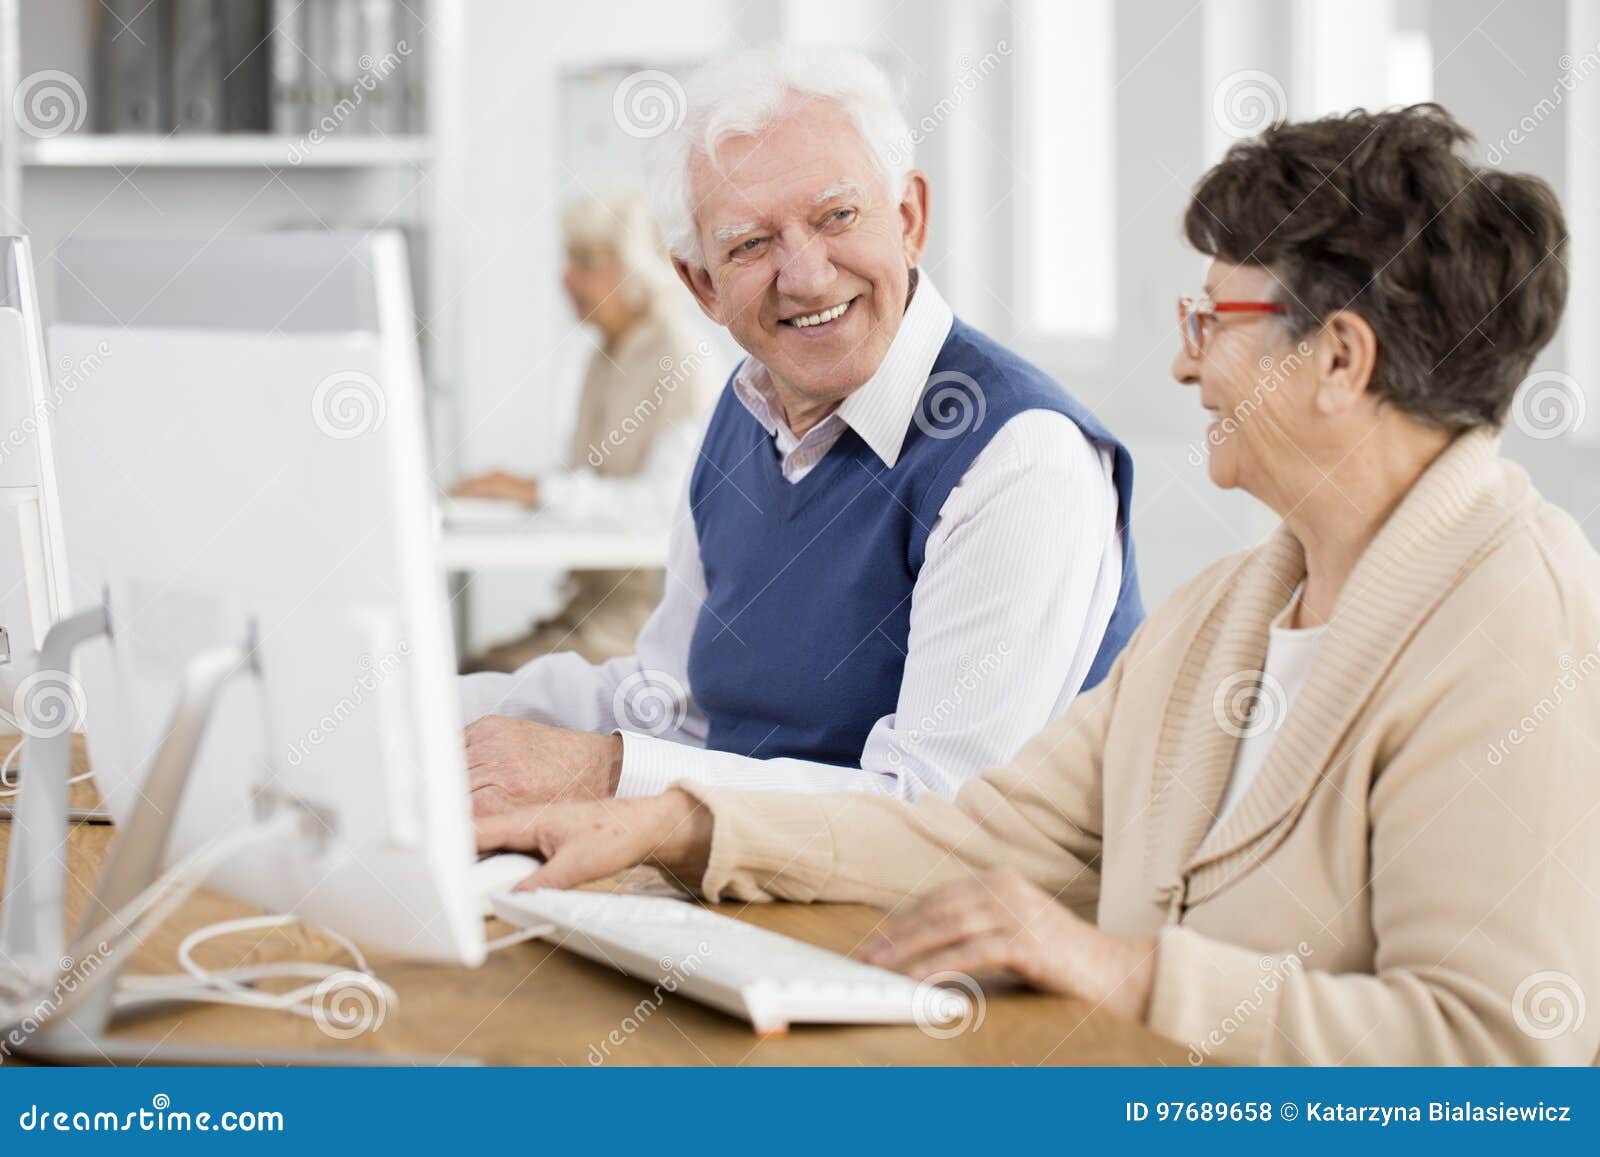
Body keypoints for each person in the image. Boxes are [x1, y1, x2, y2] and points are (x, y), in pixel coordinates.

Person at [477, 105, 1600, 1066]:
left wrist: (1120, 971)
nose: (1181, 361)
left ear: (1341, 359)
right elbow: (975, 836)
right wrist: (670, 823)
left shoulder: (1516, 624)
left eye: (1213, 322)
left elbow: (1496, 1056)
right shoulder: (1224, 616)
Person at [457, 47, 1143, 808]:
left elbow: (929, 812)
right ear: (703, 286)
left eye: (838, 216)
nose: (808, 275)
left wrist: (609, 772)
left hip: (923, 915)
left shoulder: (1020, 457)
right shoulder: (743, 410)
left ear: (910, 219)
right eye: (751, 243)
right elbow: (675, 698)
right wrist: (448, 718)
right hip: (744, 889)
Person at [454, 192, 716, 670]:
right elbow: (593, 484)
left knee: (473, 682)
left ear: (636, 270)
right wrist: (515, 491)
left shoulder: (682, 359)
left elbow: (662, 508)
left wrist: (533, 491)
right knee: (466, 673)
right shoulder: (602, 356)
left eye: (586, 262)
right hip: (584, 612)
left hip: (642, 624)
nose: (566, 277)